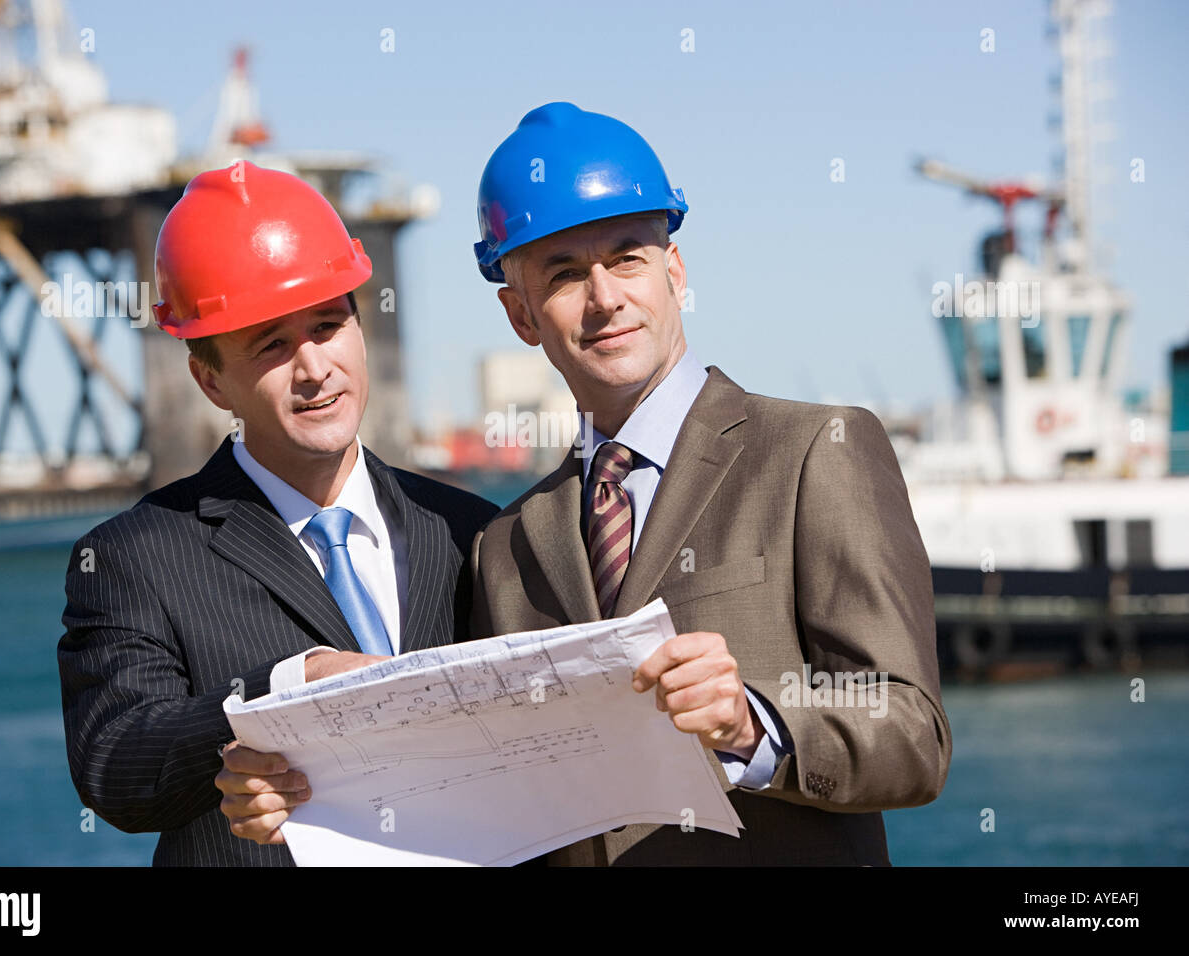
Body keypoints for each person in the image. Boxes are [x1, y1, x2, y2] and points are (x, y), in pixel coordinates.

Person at [468, 102, 952, 865]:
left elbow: (913, 734)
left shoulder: (815, 452)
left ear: (675, 272)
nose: (605, 298)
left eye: (627, 258)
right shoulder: (505, 545)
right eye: (564, 274)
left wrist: (752, 725)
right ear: (521, 315)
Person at [57, 161, 497, 866]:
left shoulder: (472, 531)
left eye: (328, 325)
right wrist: (283, 692)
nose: (314, 368)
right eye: (272, 345)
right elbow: (116, 767)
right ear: (210, 381)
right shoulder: (133, 557)